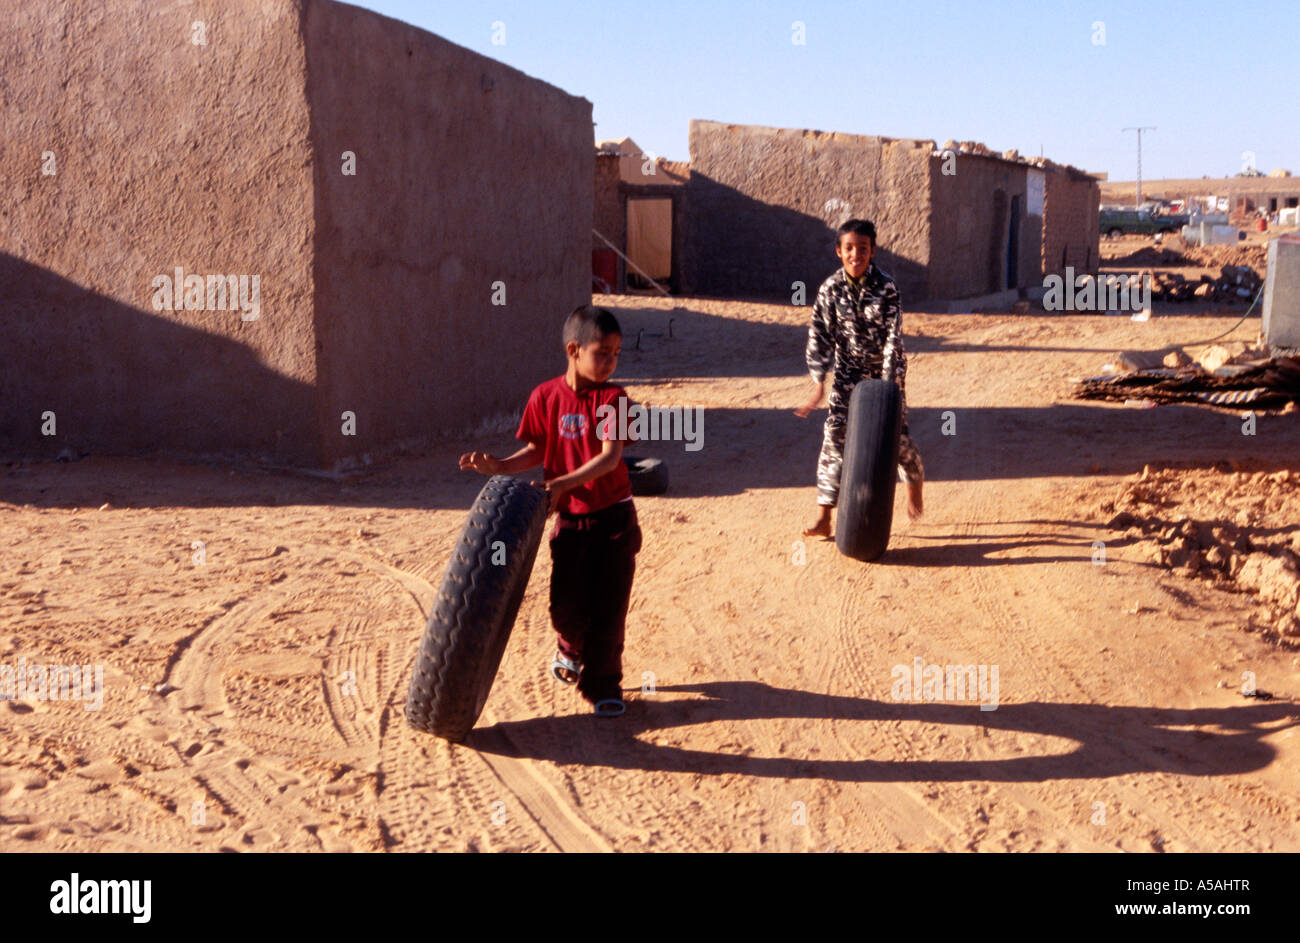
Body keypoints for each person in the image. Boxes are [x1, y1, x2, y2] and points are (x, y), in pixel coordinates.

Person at [459, 305, 641, 717]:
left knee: (610, 608)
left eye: (616, 353)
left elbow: (611, 458)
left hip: (614, 518)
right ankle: (569, 647)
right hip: (571, 521)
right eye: (603, 352)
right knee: (566, 605)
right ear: (573, 349)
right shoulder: (544, 396)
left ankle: (604, 685)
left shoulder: (615, 399)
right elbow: (540, 449)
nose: (611, 361)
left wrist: (560, 484)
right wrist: (501, 466)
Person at [795, 218, 924, 538]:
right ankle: (825, 515)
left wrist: (887, 384)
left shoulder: (887, 286)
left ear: (873, 251)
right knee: (834, 438)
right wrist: (818, 382)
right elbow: (819, 337)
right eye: (849, 248)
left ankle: (915, 484)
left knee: (896, 440)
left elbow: (893, 337)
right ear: (839, 251)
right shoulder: (830, 289)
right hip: (848, 370)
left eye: (863, 249)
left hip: (886, 369)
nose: (856, 255)